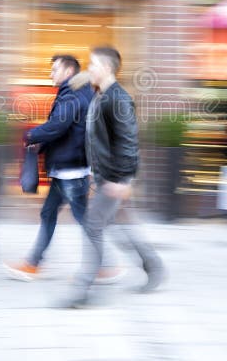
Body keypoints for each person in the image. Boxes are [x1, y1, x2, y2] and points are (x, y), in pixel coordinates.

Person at [65, 46, 165, 308]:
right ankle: (153, 266)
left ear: (107, 68)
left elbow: (128, 142)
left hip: (115, 178)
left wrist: (123, 179)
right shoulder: (103, 95)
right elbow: (98, 141)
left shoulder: (118, 99)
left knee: (93, 226)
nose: (89, 69)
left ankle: (84, 288)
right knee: (120, 228)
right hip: (105, 177)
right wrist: (94, 175)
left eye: (93, 65)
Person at [4, 55, 98, 281]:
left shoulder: (72, 93)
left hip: (71, 170)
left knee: (84, 220)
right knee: (49, 213)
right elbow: (66, 128)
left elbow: (58, 125)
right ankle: (33, 263)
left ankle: (101, 266)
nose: (50, 74)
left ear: (68, 71)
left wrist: (32, 134)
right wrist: (42, 141)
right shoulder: (80, 91)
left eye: (54, 70)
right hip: (68, 168)